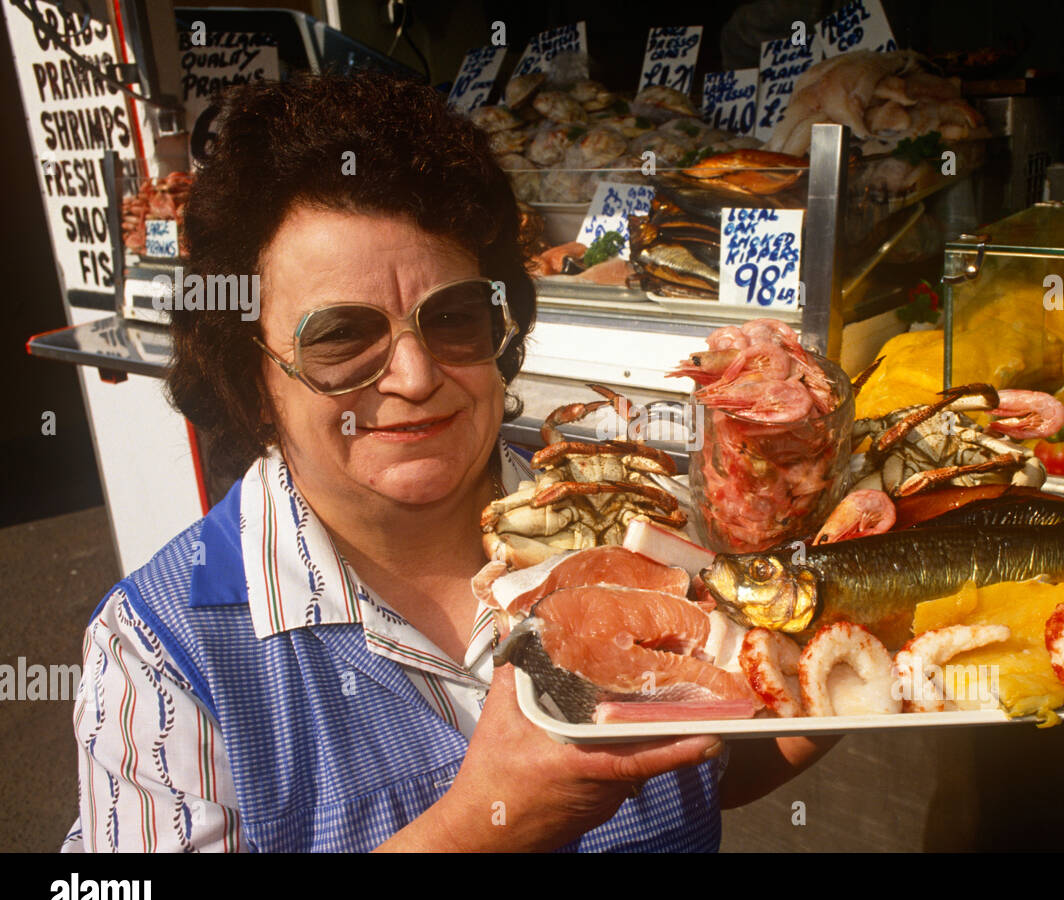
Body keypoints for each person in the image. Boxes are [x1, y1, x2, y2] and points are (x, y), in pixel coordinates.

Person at [62, 71, 834, 853]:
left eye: (454, 318)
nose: (415, 374)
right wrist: (477, 829)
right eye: (340, 336)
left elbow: (710, 764)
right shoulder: (162, 656)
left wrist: (848, 669)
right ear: (251, 374)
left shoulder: (639, 525)